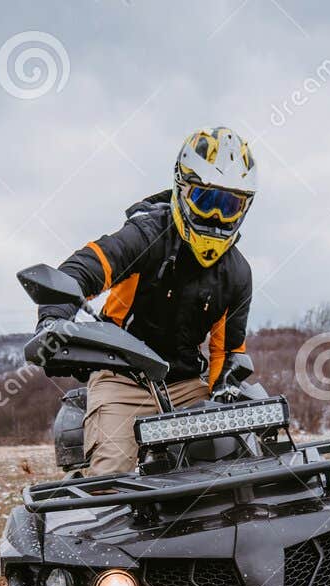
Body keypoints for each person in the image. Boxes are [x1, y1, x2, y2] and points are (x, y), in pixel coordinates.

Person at [36, 126, 257, 475]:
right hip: (122, 377)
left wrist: (223, 392)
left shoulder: (237, 274)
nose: (216, 216)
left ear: (243, 208)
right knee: (112, 475)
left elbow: (226, 352)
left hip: (186, 385)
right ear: (182, 190)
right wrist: (53, 319)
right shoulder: (146, 235)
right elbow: (84, 269)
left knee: (235, 461)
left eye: (228, 206)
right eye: (205, 200)